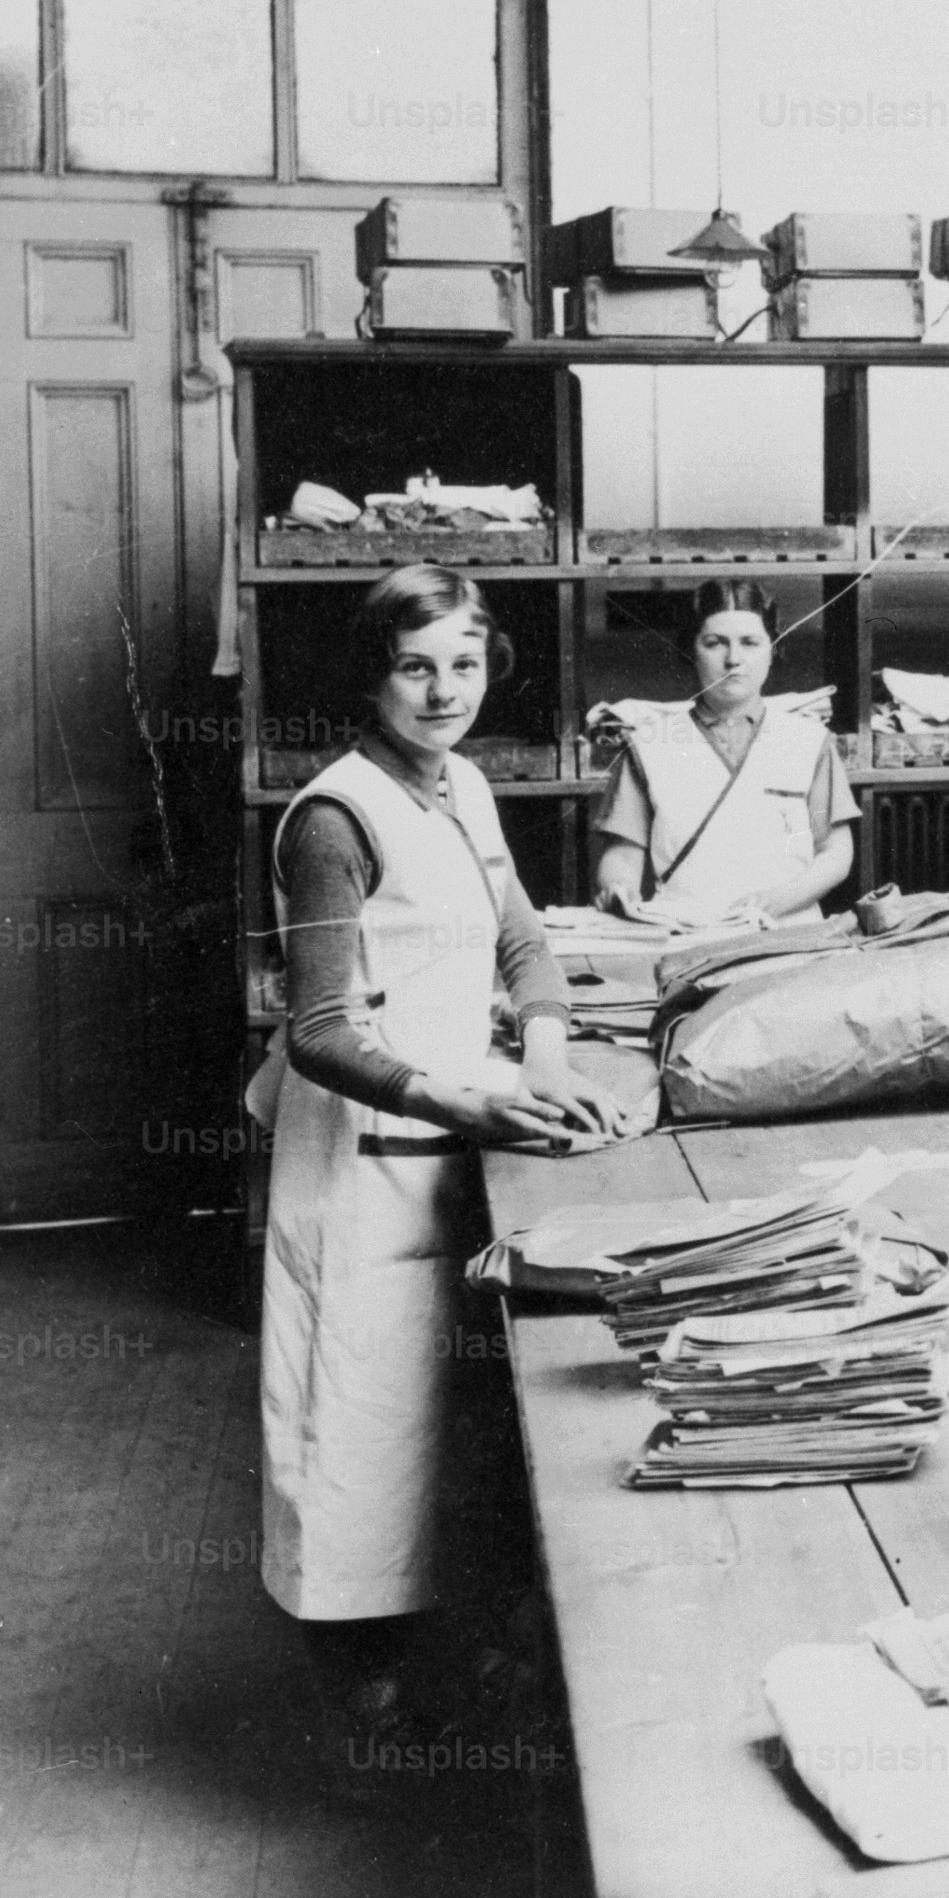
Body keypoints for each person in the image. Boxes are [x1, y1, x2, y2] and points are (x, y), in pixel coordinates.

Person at [258, 566, 633, 1730]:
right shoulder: (334, 816)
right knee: (358, 1428)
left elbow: (523, 940)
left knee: (447, 1419)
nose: (442, 690)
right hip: (364, 1154)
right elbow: (320, 1030)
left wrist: (550, 1061)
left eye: (463, 663)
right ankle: (356, 1701)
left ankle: (450, 1669)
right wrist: (466, 1103)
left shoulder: (463, 784)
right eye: (415, 665)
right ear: (372, 674)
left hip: (457, 1130)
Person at [590, 578, 857, 928]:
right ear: (691, 650)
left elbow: (836, 853)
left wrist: (771, 903)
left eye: (750, 642)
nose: (733, 659)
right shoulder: (650, 744)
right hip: (685, 932)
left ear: (773, 648)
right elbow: (623, 854)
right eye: (714, 643)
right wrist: (618, 888)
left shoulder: (808, 740)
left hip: (789, 933)